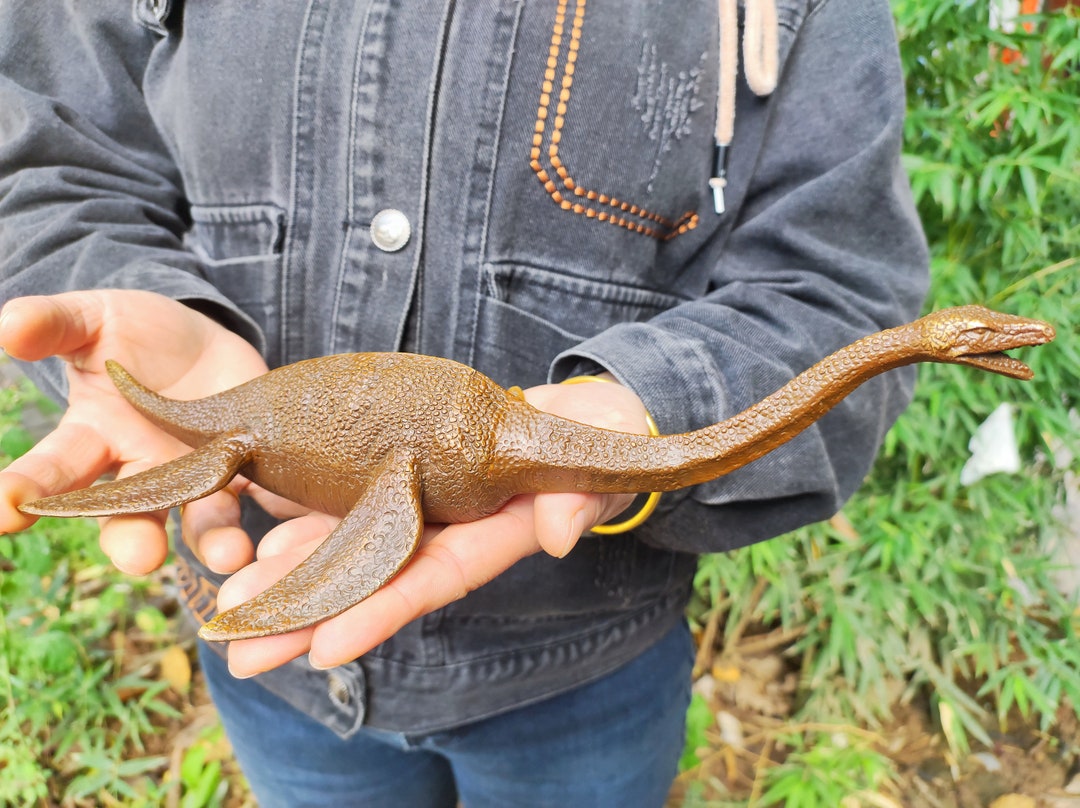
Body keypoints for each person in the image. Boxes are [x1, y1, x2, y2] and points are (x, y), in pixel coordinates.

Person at [0, 1, 928, 805]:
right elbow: (52, 154)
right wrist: (125, 293)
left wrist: (649, 398)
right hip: (270, 658)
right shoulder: (301, 450)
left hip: (586, 665)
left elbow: (838, 286)